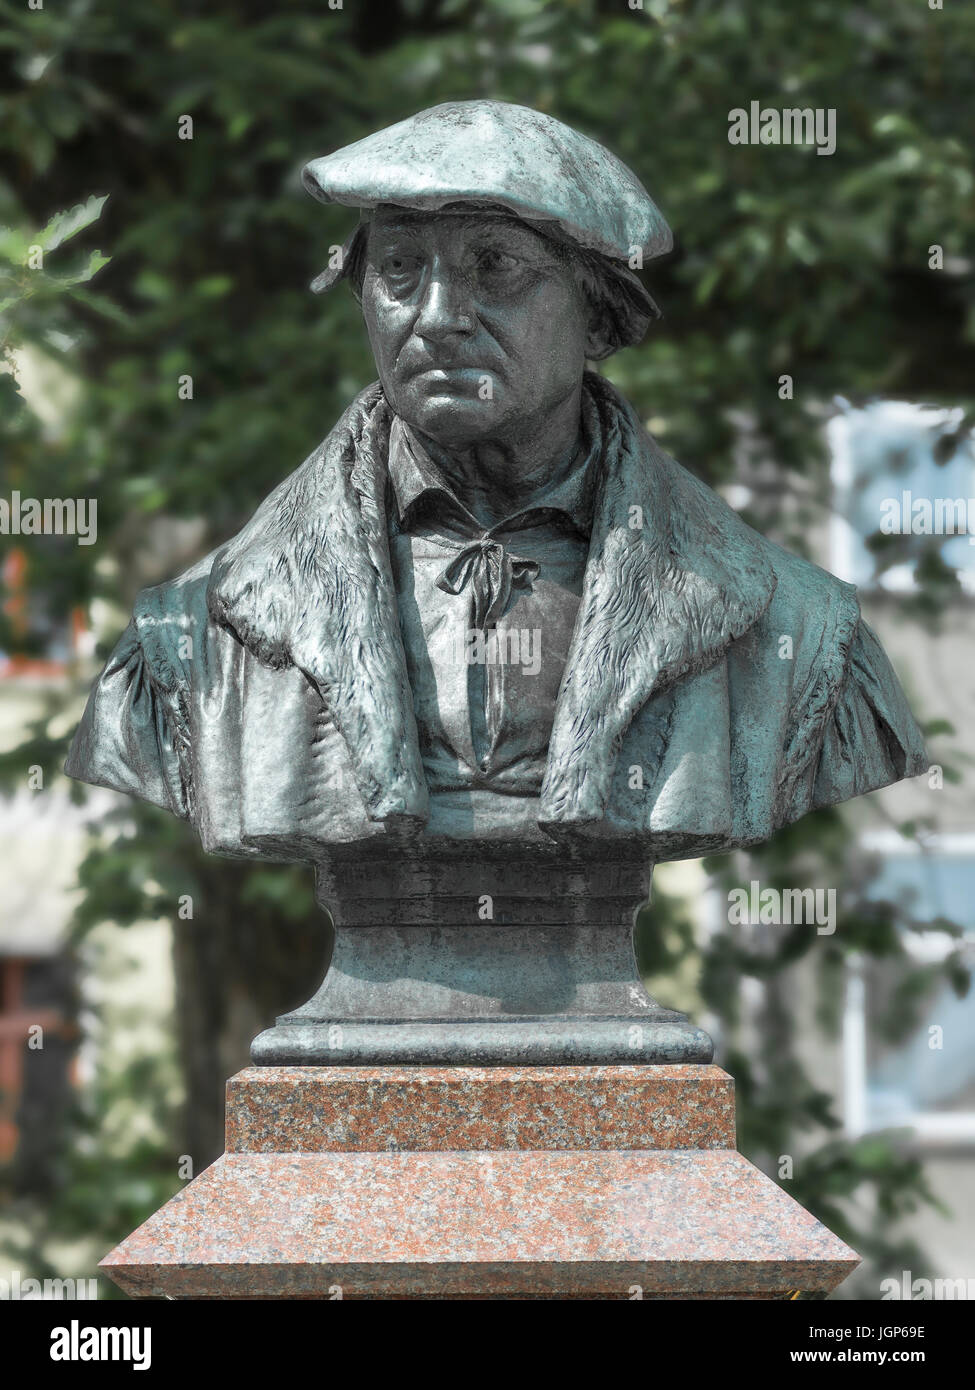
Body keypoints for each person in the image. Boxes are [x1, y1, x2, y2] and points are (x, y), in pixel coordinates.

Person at [66, 100, 927, 869]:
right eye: (400, 269)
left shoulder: (799, 634)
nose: (439, 315)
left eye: (496, 268)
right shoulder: (190, 640)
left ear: (598, 313)